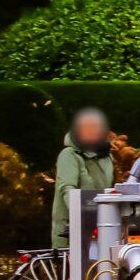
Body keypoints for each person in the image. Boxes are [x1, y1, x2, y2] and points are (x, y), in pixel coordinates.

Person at [50, 108, 111, 256]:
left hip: (100, 226)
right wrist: (82, 211)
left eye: (95, 128)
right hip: (72, 228)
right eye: (86, 128)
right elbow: (67, 188)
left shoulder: (106, 157)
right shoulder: (69, 155)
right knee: (75, 274)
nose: (91, 132)